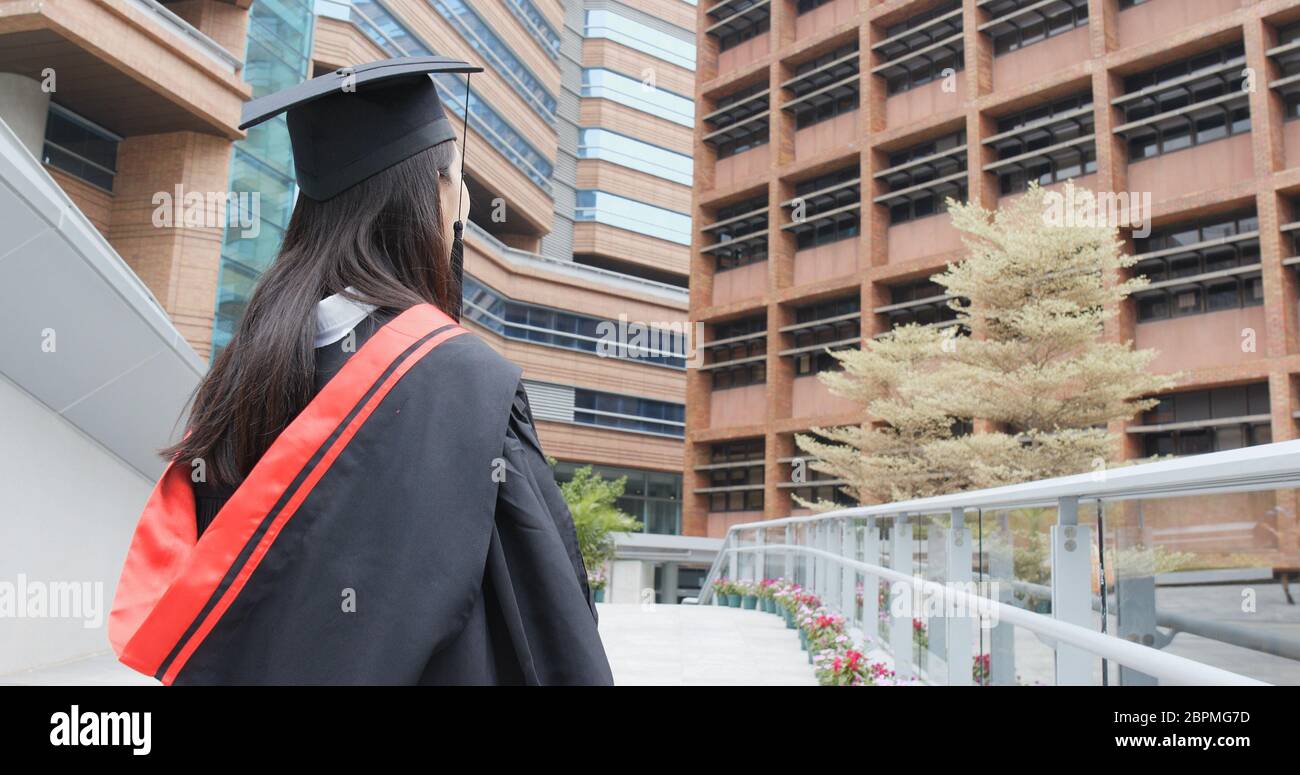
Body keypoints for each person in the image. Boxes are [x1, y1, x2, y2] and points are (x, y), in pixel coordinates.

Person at [107, 57, 614, 686]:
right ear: (433, 197)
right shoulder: (465, 387)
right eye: (456, 183)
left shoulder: (243, 377)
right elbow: (550, 635)